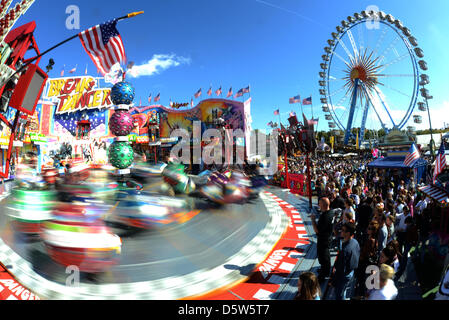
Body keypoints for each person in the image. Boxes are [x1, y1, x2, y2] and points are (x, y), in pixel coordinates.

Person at [330, 222, 360, 300]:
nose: (341, 231)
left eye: (343, 230)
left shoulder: (345, 250)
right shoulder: (355, 242)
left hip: (343, 276)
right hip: (351, 272)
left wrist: (334, 281)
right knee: (344, 291)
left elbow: (341, 269)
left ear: (348, 233)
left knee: (339, 294)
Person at [311, 197, 334, 283]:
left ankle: (323, 276)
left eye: (320, 204)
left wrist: (313, 220)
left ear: (323, 205)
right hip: (328, 237)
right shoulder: (331, 212)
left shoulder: (324, 217)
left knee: (323, 257)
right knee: (326, 256)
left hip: (323, 239)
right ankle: (326, 271)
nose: (318, 205)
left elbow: (317, 230)